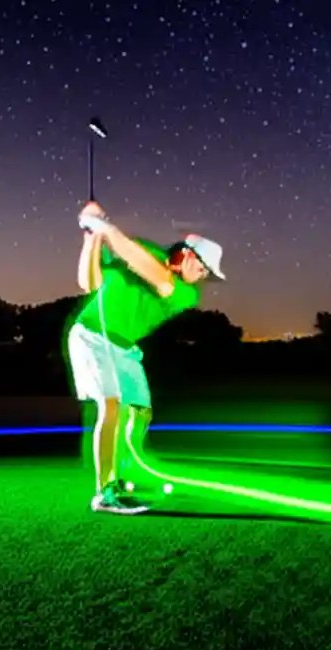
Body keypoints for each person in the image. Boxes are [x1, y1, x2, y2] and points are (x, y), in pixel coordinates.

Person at [69, 201, 226, 513]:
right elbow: (88, 282)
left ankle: (128, 467)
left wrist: (105, 227)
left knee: (141, 410)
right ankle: (106, 491)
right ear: (185, 254)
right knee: (111, 405)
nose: (204, 274)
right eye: (202, 265)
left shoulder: (184, 293)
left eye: (207, 271)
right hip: (90, 337)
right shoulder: (142, 252)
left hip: (125, 349)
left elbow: (156, 275)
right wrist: (92, 236)